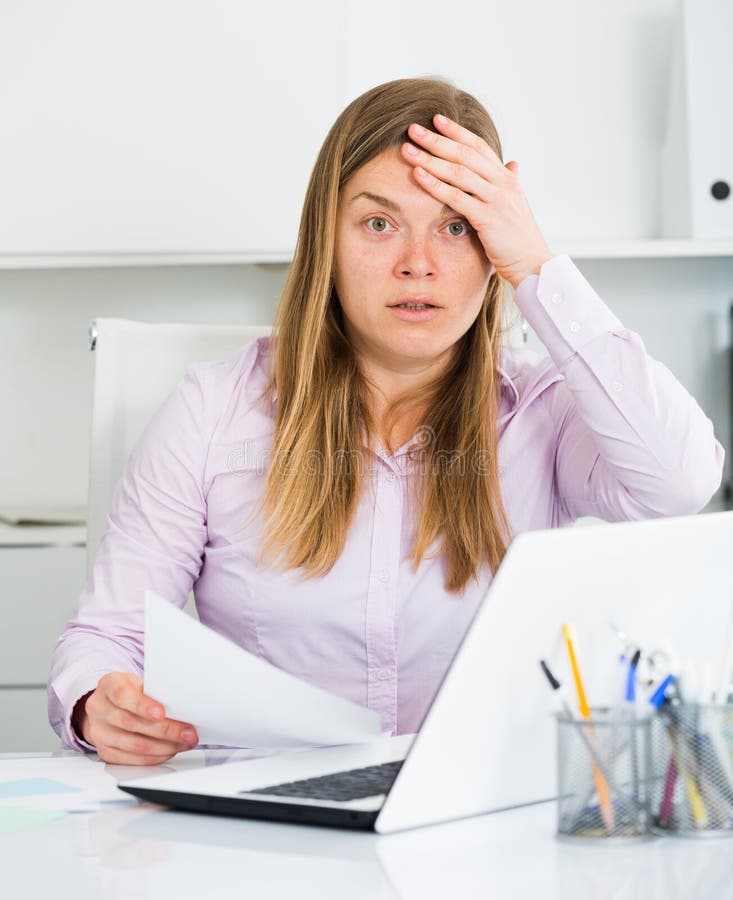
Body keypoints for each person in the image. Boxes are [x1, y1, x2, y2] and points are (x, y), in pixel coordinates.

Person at [49, 77, 724, 765]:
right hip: (258, 824)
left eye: (456, 227)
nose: (418, 265)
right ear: (327, 240)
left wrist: (537, 267)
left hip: (479, 823)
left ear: (493, 249)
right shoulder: (211, 410)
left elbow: (679, 480)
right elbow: (107, 638)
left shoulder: (544, 408)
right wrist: (98, 704)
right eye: (379, 223)